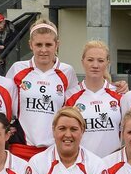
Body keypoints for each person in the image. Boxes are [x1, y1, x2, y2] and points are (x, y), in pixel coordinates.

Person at [6, 21, 79, 160]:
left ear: (57, 44)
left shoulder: (67, 71)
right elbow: (2, 100)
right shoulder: (18, 69)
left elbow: (74, 108)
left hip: (55, 151)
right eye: (39, 45)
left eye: (49, 45)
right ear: (30, 44)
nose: (43, 50)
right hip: (22, 149)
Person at [65, 40, 122, 158]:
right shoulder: (70, 97)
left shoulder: (119, 95)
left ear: (107, 63)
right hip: (83, 165)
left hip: (112, 166)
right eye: (90, 60)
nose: (95, 65)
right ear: (82, 62)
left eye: (100, 61)